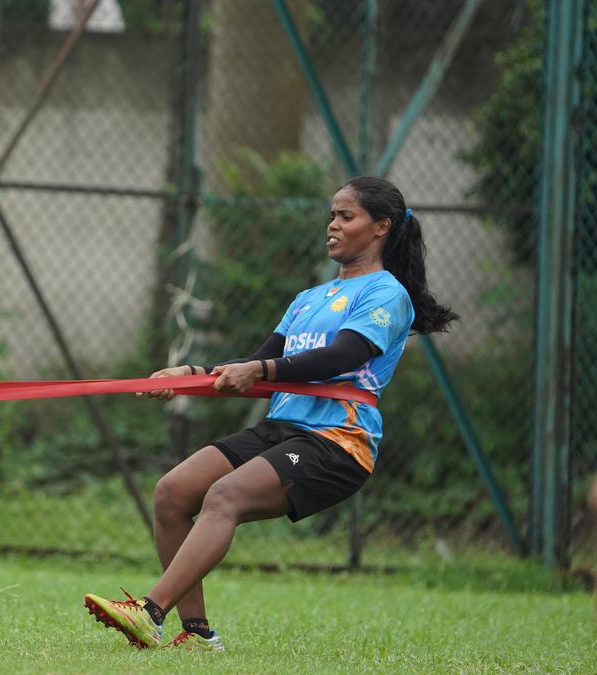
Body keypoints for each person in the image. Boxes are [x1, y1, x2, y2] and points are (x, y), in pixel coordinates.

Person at [83, 175, 457, 651]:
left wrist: (260, 367)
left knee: (224, 496)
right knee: (173, 492)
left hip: (336, 440)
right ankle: (197, 635)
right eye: (332, 215)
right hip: (282, 429)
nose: (333, 225)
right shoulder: (308, 299)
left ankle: (149, 612)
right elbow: (258, 369)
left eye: (347, 216)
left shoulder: (385, 294)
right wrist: (192, 374)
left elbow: (343, 356)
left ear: (381, 227)